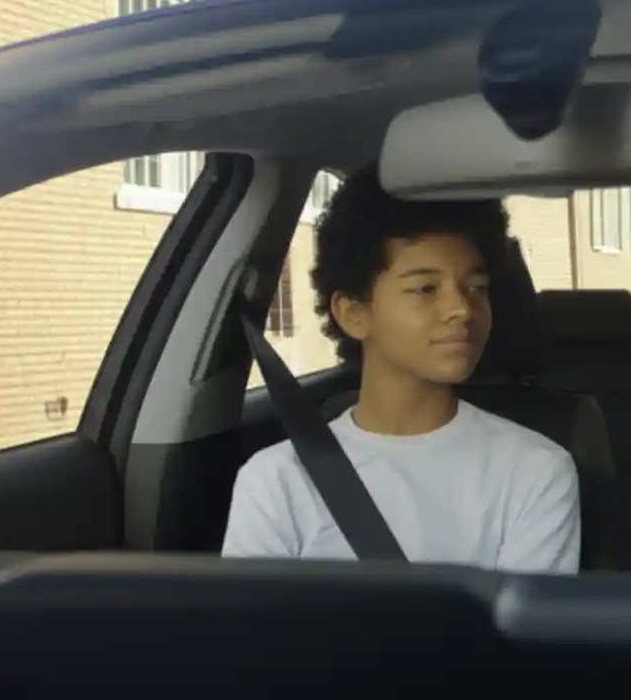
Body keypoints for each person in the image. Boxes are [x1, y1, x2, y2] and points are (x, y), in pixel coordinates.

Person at [222, 166, 582, 574]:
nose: (462, 309)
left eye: (476, 288)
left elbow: (520, 618)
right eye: (425, 288)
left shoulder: (535, 470)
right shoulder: (277, 480)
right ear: (353, 314)